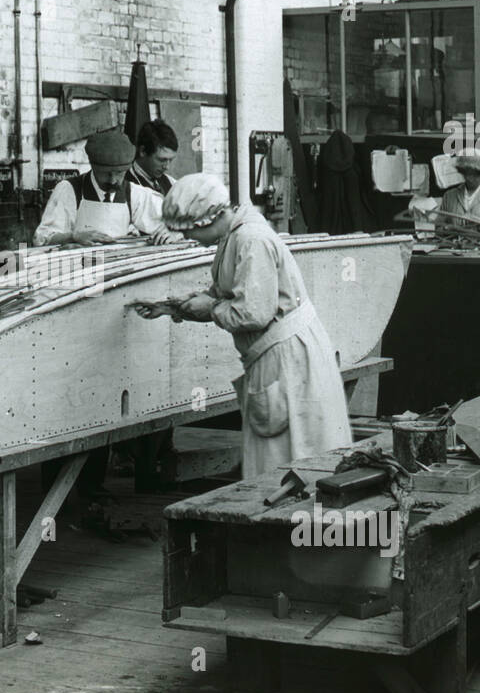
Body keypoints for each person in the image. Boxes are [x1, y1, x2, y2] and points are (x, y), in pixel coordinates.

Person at [131, 174, 351, 479]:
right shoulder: (234, 236)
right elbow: (227, 294)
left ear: (204, 221)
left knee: (295, 464)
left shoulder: (251, 239)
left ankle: (295, 524)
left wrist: (211, 308)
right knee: (283, 462)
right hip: (275, 355)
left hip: (288, 360)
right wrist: (172, 307)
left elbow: (253, 313)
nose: (192, 240)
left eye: (191, 233)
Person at [33, 129, 179, 246]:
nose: (113, 180)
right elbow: (42, 238)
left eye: (120, 174)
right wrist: (73, 236)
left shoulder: (133, 193)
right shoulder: (69, 190)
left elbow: (179, 220)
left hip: (117, 267)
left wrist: (174, 233)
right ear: (93, 167)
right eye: (106, 174)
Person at [125, 118, 180, 197]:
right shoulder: (127, 186)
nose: (167, 167)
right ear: (143, 151)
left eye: (170, 160)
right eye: (161, 160)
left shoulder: (170, 183)